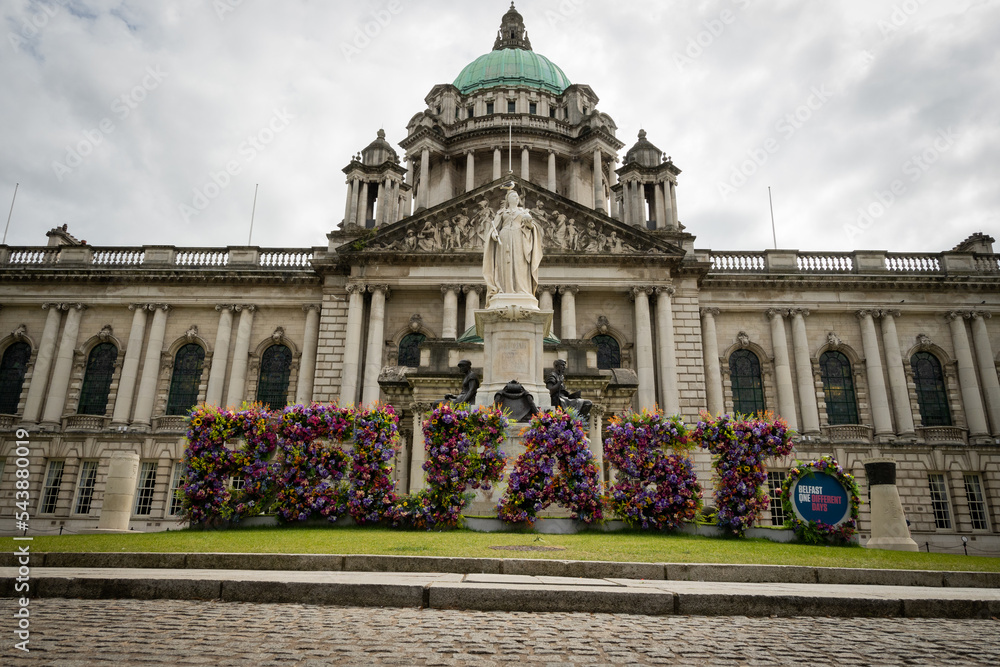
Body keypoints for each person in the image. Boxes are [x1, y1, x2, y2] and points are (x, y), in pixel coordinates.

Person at [482, 187, 543, 306]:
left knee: (520, 263)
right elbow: (494, 227)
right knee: (504, 264)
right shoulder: (502, 213)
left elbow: (532, 227)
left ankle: (521, 289)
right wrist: (494, 234)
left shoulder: (524, 212)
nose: (516, 197)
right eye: (513, 196)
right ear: (508, 199)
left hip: (519, 238)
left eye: (517, 196)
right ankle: (505, 289)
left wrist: (530, 225)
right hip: (504, 238)